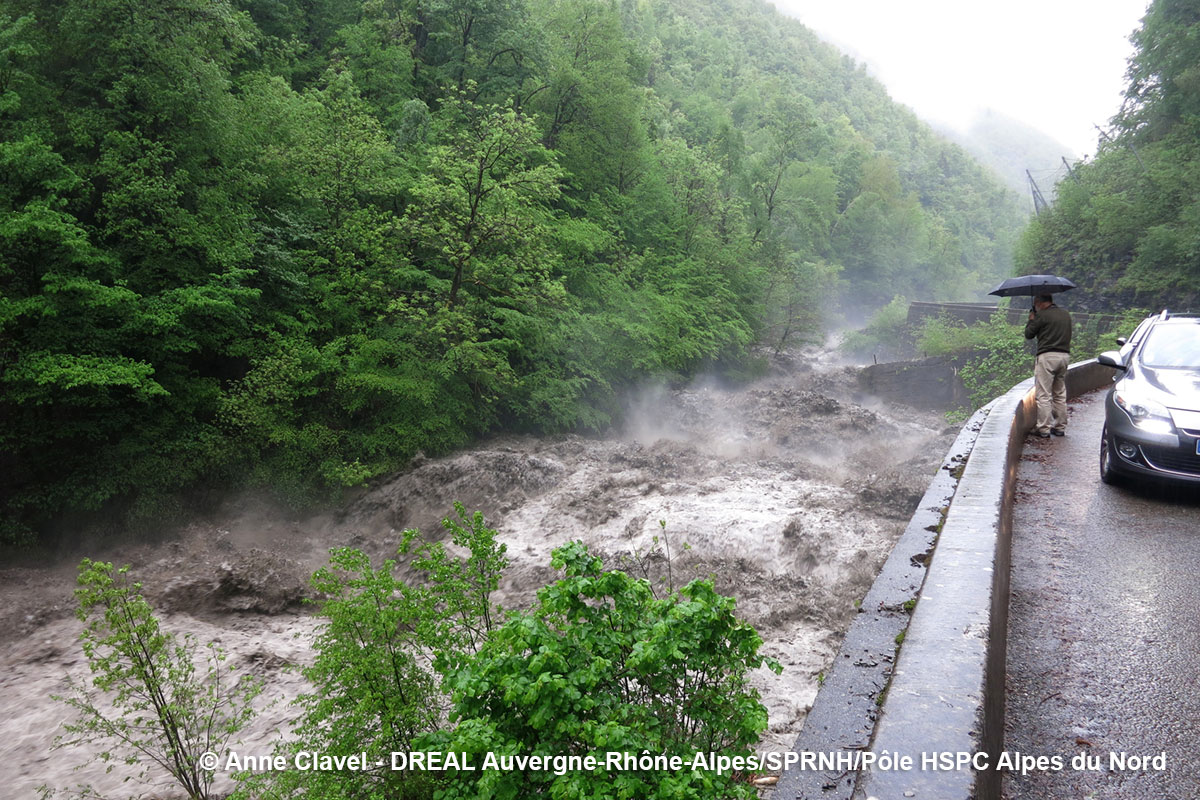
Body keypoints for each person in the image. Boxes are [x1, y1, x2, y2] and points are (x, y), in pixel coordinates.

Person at [1024, 294, 1072, 438]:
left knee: (1044, 394)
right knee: (1059, 393)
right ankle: (1060, 427)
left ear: (1040, 302)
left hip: (1047, 357)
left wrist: (1031, 320)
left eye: (1036, 304)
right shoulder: (1065, 314)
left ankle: (1043, 429)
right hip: (1064, 356)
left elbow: (1029, 334)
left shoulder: (1042, 316)